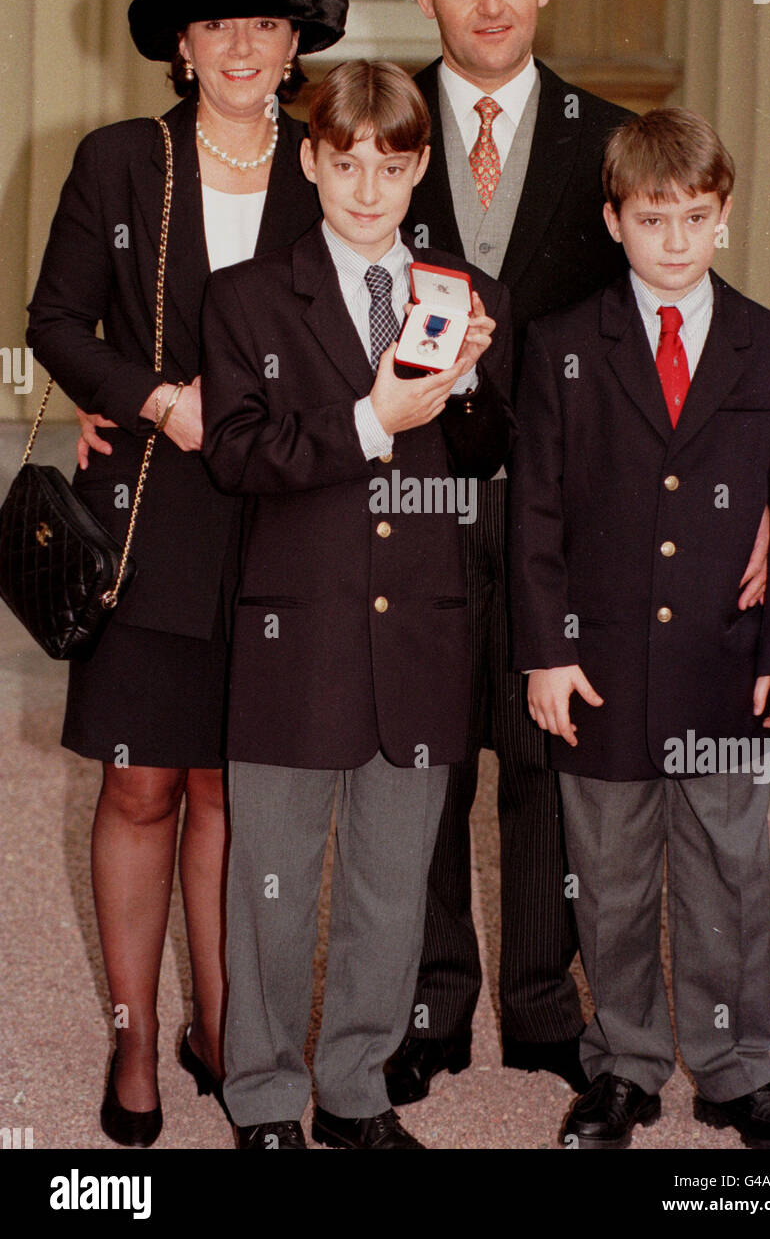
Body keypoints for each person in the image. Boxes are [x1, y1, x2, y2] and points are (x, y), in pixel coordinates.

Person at [387, 0, 770, 1106]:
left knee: (556, 747)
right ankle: (431, 998)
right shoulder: (379, 135)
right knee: (427, 756)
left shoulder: (609, 138)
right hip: (417, 497)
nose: (489, 4)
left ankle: (549, 1004)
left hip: (582, 512)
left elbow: (690, 327)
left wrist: (749, 492)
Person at [25, 0, 347, 1147]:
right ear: (179, 46)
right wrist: (158, 397)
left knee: (231, 784)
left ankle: (220, 1029)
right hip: (150, 507)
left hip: (283, 520)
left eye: (266, 27)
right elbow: (55, 318)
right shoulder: (119, 160)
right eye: (218, 28)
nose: (245, 48)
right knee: (140, 779)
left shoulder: (330, 167)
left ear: (295, 45)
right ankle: (128, 1036)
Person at [200, 60, 513, 1149]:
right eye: (344, 165)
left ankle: (358, 1088)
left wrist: (465, 382)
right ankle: (264, 1095)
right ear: (311, 163)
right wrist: (372, 419)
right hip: (298, 631)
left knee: (390, 891)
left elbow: (486, 457)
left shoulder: (463, 295)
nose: (367, 188)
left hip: (419, 634)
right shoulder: (244, 297)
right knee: (273, 891)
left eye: (390, 165)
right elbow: (239, 454)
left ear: (421, 167)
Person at [508, 107, 770, 1149]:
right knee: (609, 878)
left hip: (723, 670)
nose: (675, 240)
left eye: (694, 217)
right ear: (614, 221)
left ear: (723, 216)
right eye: (653, 220)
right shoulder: (562, 348)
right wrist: (545, 652)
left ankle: (738, 1071)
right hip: (598, 669)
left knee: (731, 873)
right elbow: (537, 515)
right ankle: (627, 1065)